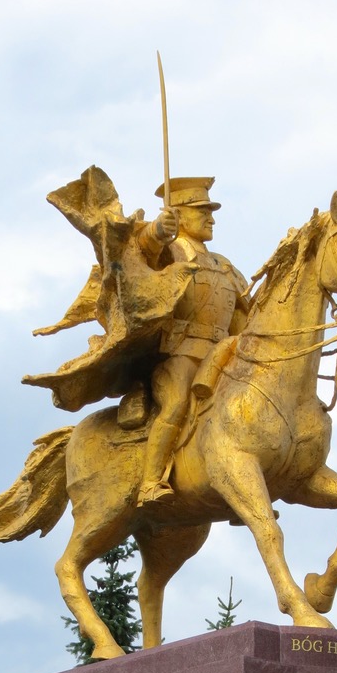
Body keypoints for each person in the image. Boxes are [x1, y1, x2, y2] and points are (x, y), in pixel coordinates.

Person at [135, 177, 249, 506]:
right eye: (203, 211)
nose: (211, 217)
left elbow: (248, 310)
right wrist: (155, 232)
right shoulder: (171, 253)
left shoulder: (224, 265)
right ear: (180, 216)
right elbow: (142, 256)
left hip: (222, 357)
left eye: (211, 211)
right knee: (176, 405)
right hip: (180, 356)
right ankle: (150, 482)